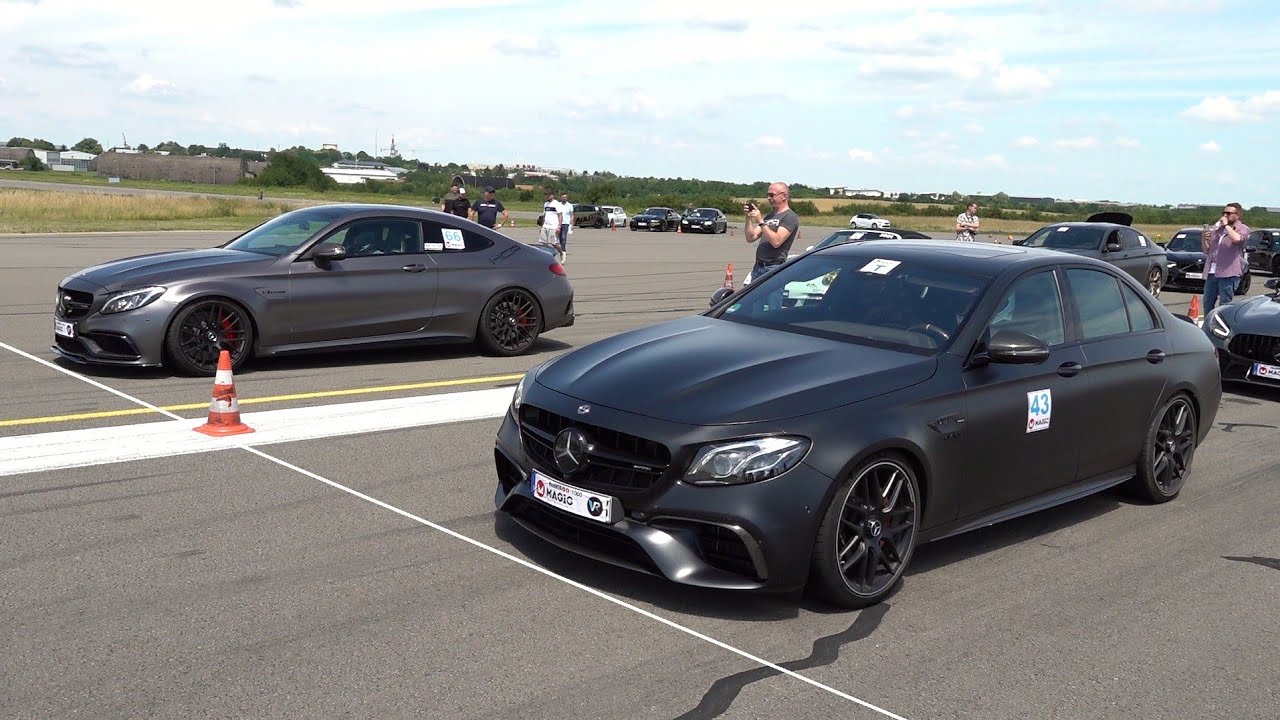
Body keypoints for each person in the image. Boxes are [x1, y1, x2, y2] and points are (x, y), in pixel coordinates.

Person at [744, 181, 800, 281]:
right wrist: (748, 219)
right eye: (768, 195)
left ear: (783, 196)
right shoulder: (770, 216)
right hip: (758, 266)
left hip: (773, 267)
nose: (769, 198)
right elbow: (751, 237)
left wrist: (761, 221)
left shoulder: (790, 217)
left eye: (772, 195)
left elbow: (776, 241)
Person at [1201, 202, 1250, 313]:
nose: (1225, 215)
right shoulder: (1218, 229)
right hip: (1212, 272)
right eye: (1224, 213)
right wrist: (1204, 239)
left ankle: (1222, 323)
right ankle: (1208, 322)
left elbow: (1237, 239)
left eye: (1228, 213)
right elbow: (1207, 250)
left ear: (1237, 215)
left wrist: (1226, 226)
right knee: (1207, 302)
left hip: (1229, 273)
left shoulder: (1242, 228)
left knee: (1224, 304)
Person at [539, 191, 564, 261]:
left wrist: (559, 226)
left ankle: (561, 253)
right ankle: (546, 257)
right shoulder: (546, 204)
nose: (547, 196)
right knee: (544, 242)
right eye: (546, 195)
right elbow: (545, 215)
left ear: (552, 195)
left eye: (549, 195)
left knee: (554, 243)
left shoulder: (557, 204)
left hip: (553, 226)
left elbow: (560, 215)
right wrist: (542, 226)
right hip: (545, 226)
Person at [557, 191, 574, 257]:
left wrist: (572, 224)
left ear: (567, 198)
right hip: (558, 223)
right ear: (561, 198)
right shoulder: (558, 204)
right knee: (558, 238)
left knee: (563, 237)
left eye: (565, 197)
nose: (564, 198)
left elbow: (572, 215)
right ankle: (559, 250)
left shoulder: (570, 205)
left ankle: (563, 250)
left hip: (566, 224)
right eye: (563, 197)